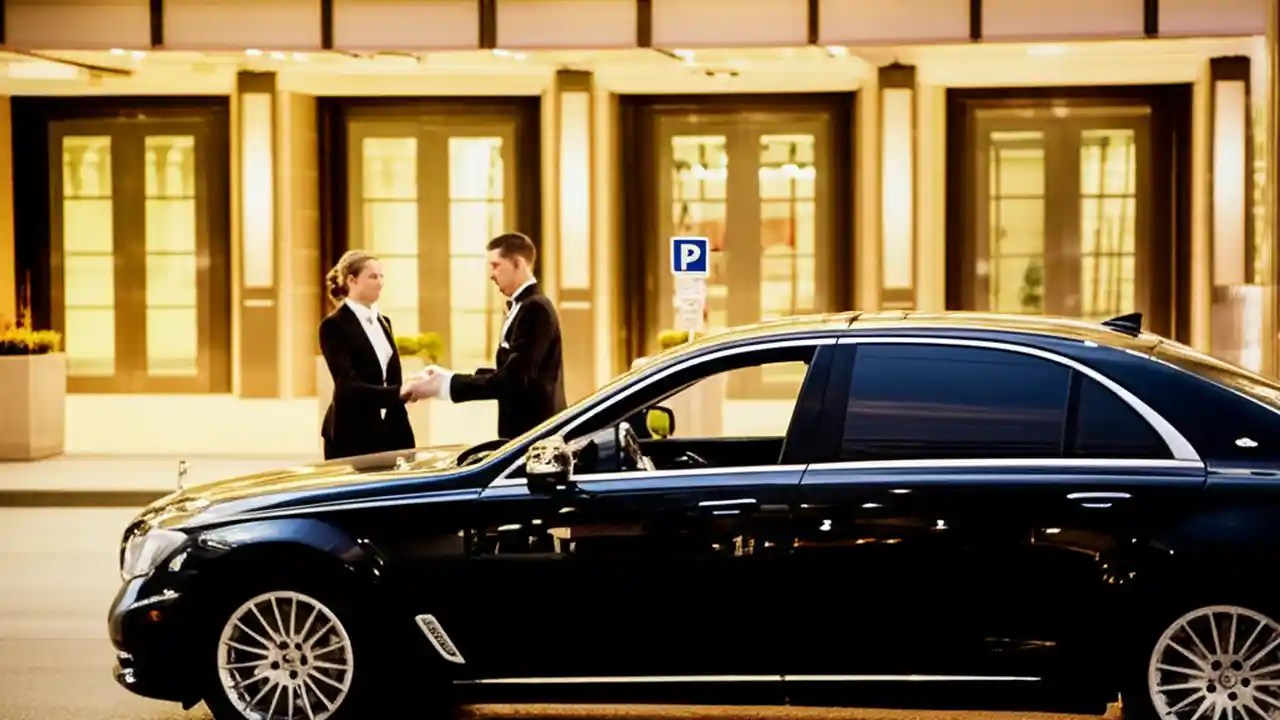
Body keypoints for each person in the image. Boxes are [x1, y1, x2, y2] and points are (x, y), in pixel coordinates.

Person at [423, 232, 567, 440]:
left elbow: (514, 380)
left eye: (496, 265)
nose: (491, 274)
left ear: (518, 263)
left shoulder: (535, 309)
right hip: (523, 431)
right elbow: (510, 372)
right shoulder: (524, 306)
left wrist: (446, 385)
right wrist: (446, 377)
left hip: (534, 433)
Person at [319, 250, 434, 460]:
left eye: (381, 276)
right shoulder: (334, 326)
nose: (380, 283)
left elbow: (388, 374)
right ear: (351, 280)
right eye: (372, 277)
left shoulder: (384, 322)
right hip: (352, 433)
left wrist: (409, 387)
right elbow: (347, 385)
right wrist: (397, 393)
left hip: (392, 430)